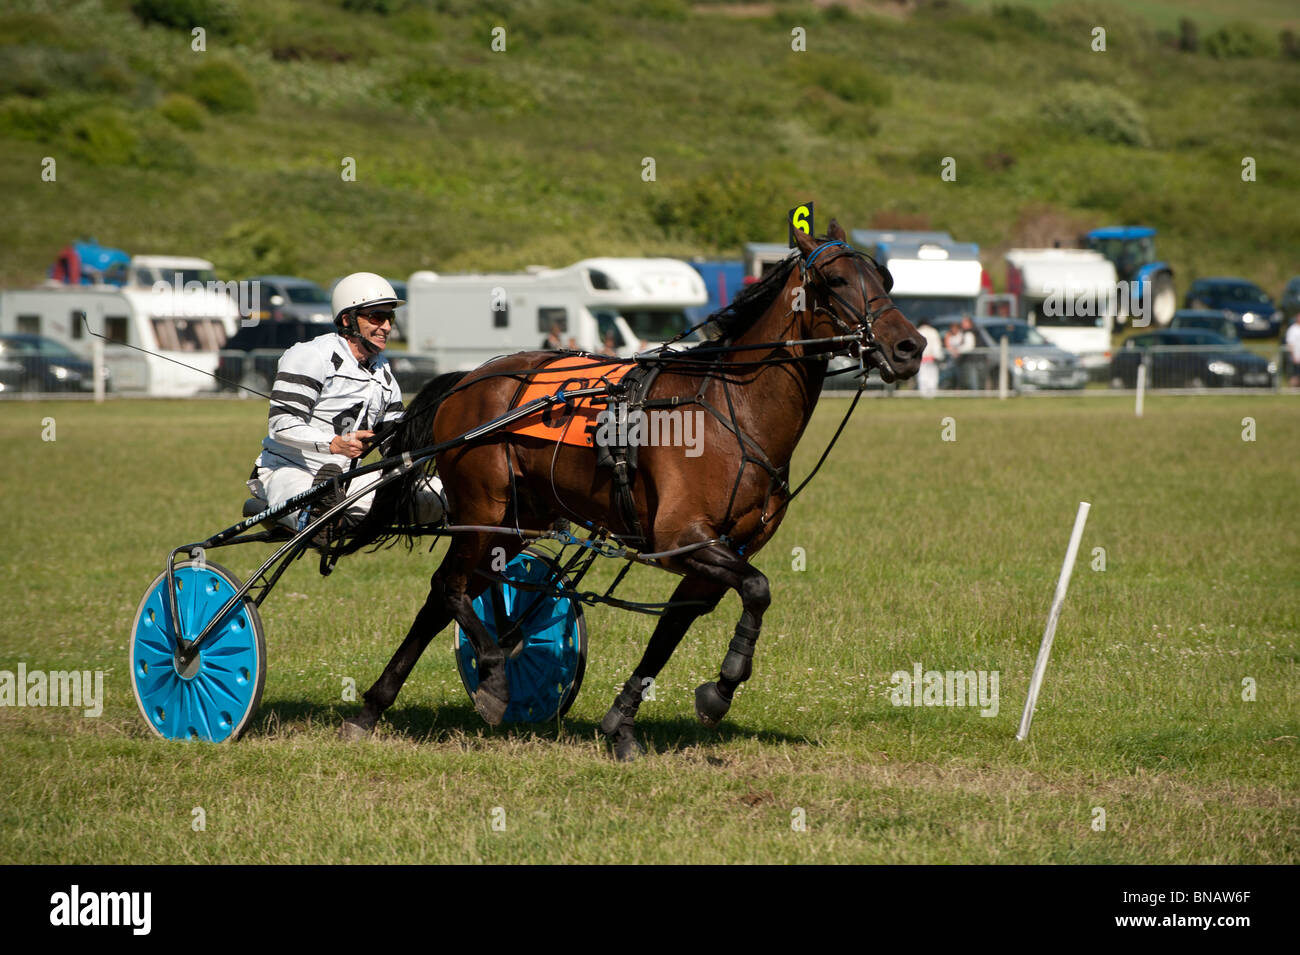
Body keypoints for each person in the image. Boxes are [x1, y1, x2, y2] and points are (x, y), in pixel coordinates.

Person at [247, 272, 444, 540]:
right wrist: (335, 444)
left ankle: (333, 506)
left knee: (441, 494)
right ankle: (322, 513)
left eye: (390, 318)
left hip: (349, 480)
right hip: (289, 470)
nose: (386, 326)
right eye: (376, 317)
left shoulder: (384, 374)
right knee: (317, 511)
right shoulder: (311, 355)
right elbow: (282, 424)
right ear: (347, 319)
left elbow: (395, 444)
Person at [916, 319, 944, 397]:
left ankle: (923, 393)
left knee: (922, 375)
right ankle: (932, 393)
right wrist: (938, 356)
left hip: (922, 358)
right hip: (932, 358)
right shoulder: (933, 331)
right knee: (932, 376)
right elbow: (937, 346)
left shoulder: (918, 331)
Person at [1286, 313, 1300, 388]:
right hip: (1296, 356)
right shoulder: (1293, 329)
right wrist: (1293, 356)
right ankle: (1292, 389)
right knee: (1295, 374)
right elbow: (1290, 343)